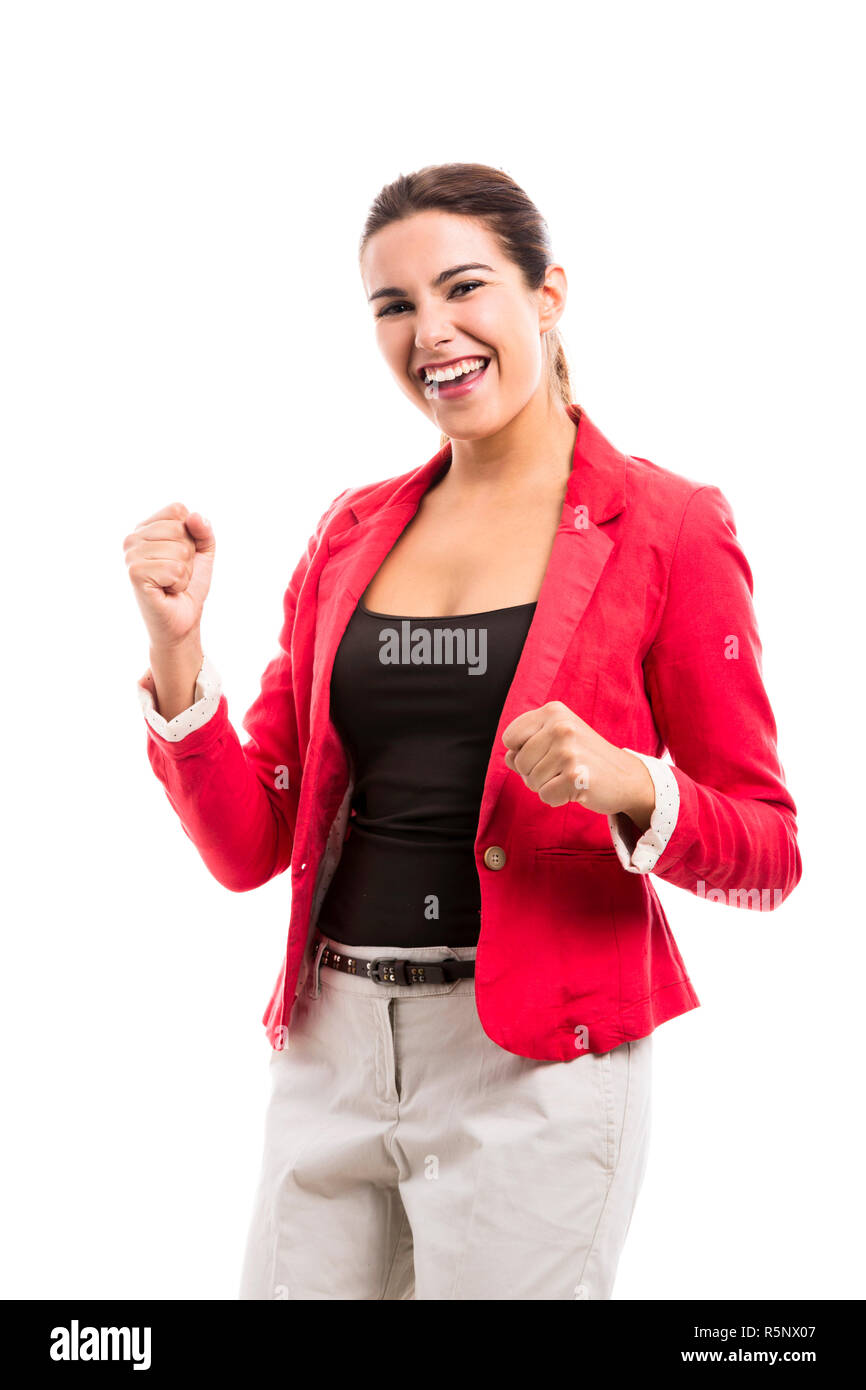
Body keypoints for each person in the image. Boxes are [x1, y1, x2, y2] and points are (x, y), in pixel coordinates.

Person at [123, 162, 801, 1300]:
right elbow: (254, 842)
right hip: (331, 1045)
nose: (428, 331)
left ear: (546, 295)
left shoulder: (669, 527)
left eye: (462, 288)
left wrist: (634, 783)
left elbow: (770, 849)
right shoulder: (350, 529)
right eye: (392, 306)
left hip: (534, 1066)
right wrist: (177, 651)